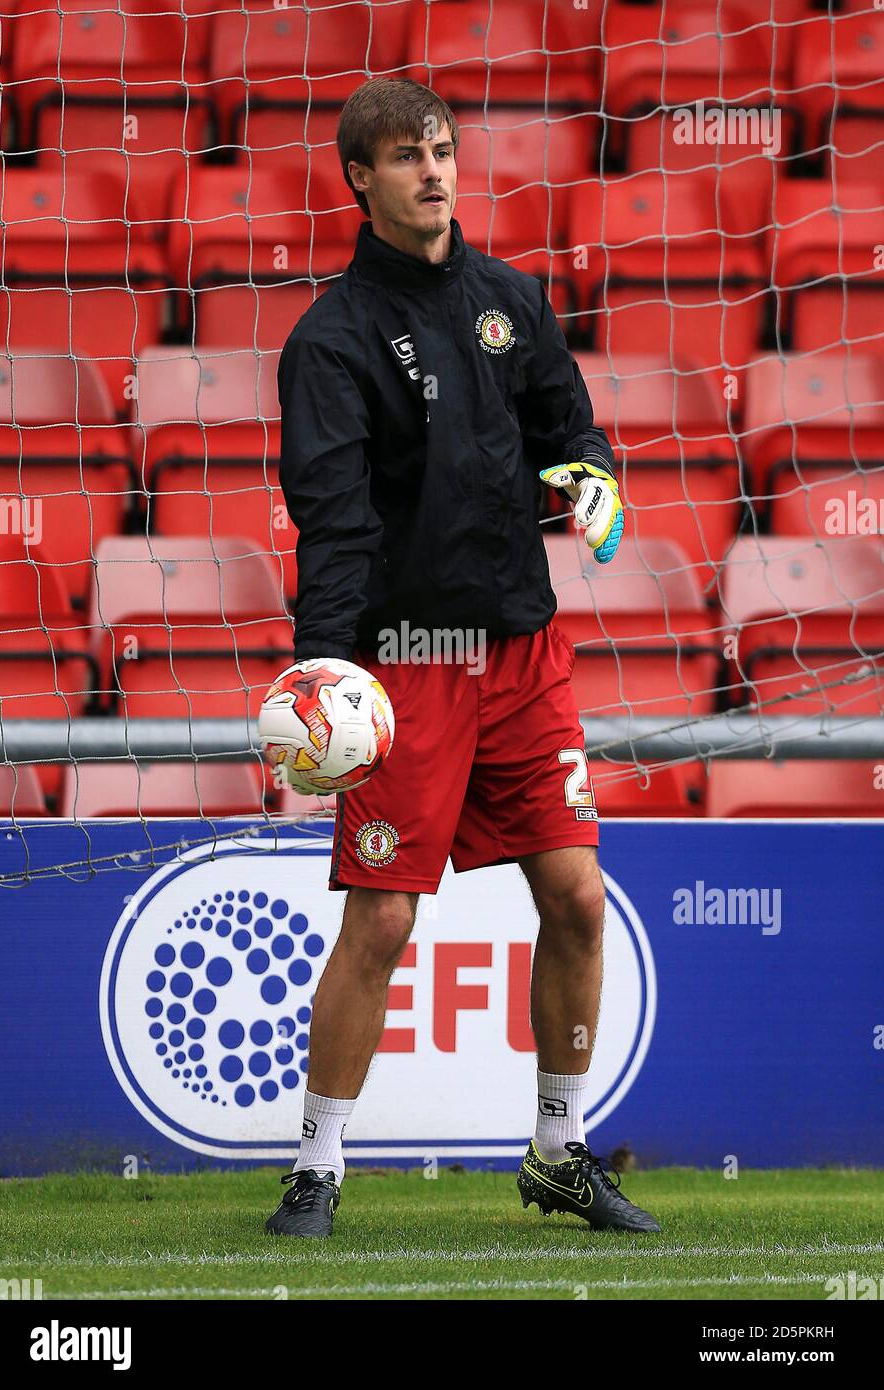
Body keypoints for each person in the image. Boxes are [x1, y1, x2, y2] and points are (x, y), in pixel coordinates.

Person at [264, 76, 659, 1238]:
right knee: (381, 922)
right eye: (404, 156)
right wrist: (324, 672)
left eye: (440, 148)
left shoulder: (511, 298)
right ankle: (318, 1167)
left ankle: (554, 1151)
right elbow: (334, 522)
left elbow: (563, 422)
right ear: (360, 179)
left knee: (577, 897)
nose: (432, 170)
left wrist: (589, 468)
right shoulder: (329, 340)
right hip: (407, 666)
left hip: (525, 651)